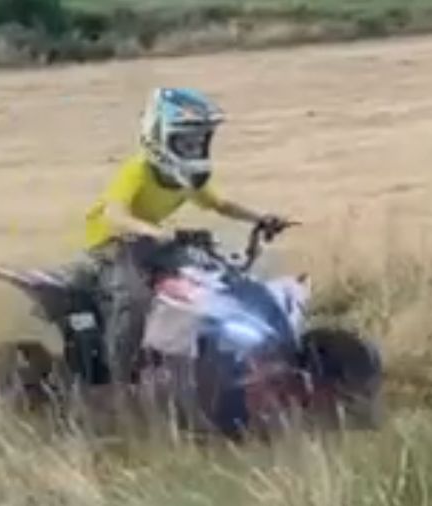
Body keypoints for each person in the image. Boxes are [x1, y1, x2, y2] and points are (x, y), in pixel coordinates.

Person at [79, 87, 290, 385]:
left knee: (216, 273)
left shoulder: (186, 178)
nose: (193, 148)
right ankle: (119, 378)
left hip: (152, 241)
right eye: (186, 141)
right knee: (135, 300)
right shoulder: (138, 170)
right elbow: (114, 215)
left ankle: (220, 354)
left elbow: (220, 204)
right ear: (159, 136)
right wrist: (153, 231)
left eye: (199, 141)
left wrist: (261, 218)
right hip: (111, 243)